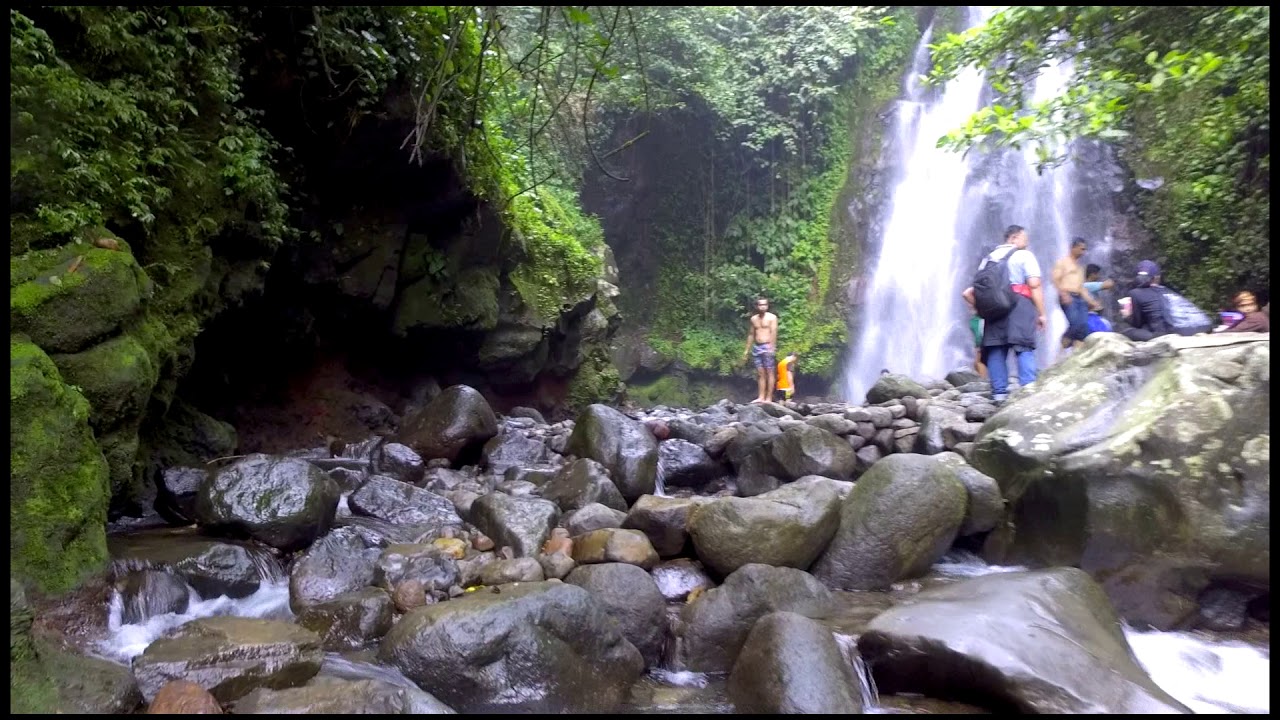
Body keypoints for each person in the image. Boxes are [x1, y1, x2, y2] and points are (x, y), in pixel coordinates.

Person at [962, 224, 1047, 404]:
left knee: (995, 349)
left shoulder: (988, 258)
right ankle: (1028, 391)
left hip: (993, 309)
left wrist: (981, 310)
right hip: (1019, 305)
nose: (1027, 242)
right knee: (1023, 346)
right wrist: (1042, 313)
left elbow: (970, 292)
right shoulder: (1024, 255)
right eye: (1024, 238)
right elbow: (1034, 284)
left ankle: (999, 394)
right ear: (1013, 238)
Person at [1051, 238, 1099, 350]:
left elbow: (1081, 287)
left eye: (1084, 250)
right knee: (1075, 324)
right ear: (1073, 248)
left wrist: (1091, 301)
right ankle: (1060, 352)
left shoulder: (1080, 267)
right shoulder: (1062, 262)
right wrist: (1063, 294)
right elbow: (1055, 279)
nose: (1083, 252)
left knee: (1084, 328)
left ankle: (1077, 355)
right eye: (1081, 249)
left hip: (1080, 298)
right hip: (1068, 296)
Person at [1119, 260, 1173, 341]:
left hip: (1160, 335)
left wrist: (1127, 316)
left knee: (1126, 332)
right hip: (1176, 330)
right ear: (1157, 277)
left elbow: (1137, 324)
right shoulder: (1167, 291)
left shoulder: (1135, 293)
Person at [742, 296, 778, 403]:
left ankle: (768, 398)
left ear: (767, 306)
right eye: (761, 305)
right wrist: (746, 350)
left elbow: (774, 332)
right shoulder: (753, 319)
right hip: (757, 347)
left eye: (765, 304)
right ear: (757, 306)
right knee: (760, 373)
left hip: (767, 346)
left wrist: (772, 347)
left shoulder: (772, 318)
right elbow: (751, 334)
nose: (763, 307)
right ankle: (761, 397)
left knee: (769, 372)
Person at [969, 313, 987, 378]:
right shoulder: (974, 319)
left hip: (982, 344)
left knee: (979, 363)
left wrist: (979, 345)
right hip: (980, 344)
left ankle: (983, 380)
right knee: (976, 363)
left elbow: (979, 334)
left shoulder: (979, 320)